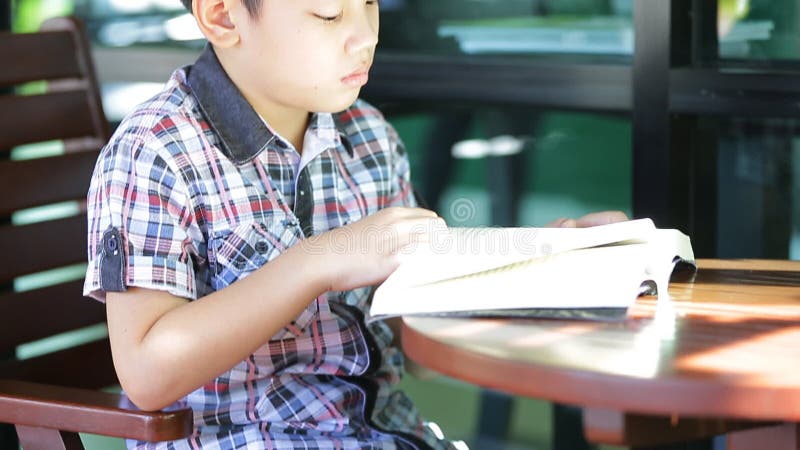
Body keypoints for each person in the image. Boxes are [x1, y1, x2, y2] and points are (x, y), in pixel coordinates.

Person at [83, 0, 625, 448]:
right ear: (223, 16)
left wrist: (540, 265)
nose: (364, 36)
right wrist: (322, 259)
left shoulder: (368, 136)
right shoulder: (155, 153)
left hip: (389, 435)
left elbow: (415, 346)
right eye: (328, 15)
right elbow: (147, 374)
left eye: (369, 4)